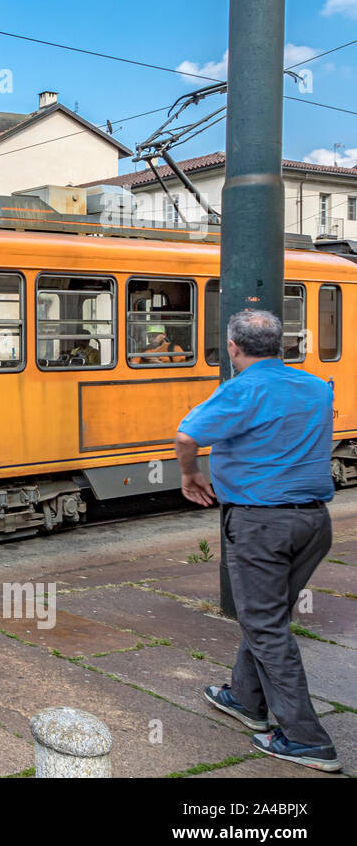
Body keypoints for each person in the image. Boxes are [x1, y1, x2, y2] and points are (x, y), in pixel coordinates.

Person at [174, 309, 341, 773]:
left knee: (266, 625)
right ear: (281, 347)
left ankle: (306, 738)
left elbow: (187, 434)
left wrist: (190, 475)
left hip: (261, 524)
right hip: (313, 523)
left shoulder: (242, 389)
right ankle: (246, 699)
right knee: (266, 614)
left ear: (233, 348)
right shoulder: (313, 385)